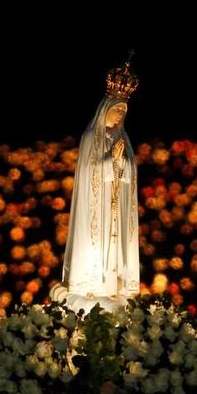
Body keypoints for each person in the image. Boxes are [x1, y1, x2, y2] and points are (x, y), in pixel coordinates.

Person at [57, 54, 140, 313]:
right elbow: (88, 171)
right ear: (106, 108)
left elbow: (131, 172)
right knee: (98, 245)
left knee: (115, 247)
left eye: (123, 112)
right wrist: (108, 161)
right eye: (117, 110)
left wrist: (122, 162)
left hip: (115, 206)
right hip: (97, 206)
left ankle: (114, 285)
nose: (119, 116)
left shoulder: (122, 139)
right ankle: (91, 283)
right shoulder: (91, 137)